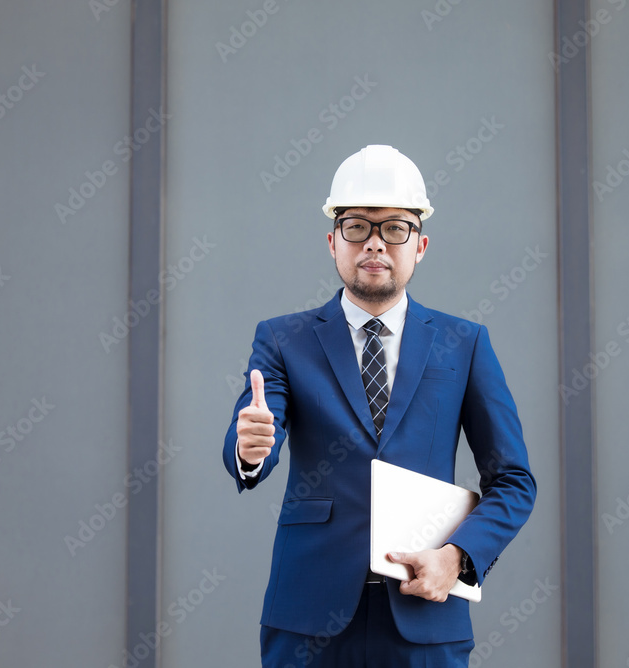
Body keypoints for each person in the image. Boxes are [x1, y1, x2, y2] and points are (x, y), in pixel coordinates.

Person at [223, 144, 536, 667]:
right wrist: (252, 448)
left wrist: (456, 559)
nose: (375, 243)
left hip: (424, 614)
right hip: (308, 619)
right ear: (332, 241)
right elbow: (259, 432)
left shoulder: (465, 344)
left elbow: (514, 481)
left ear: (421, 245)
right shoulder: (283, 340)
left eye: (394, 228)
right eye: (356, 228)